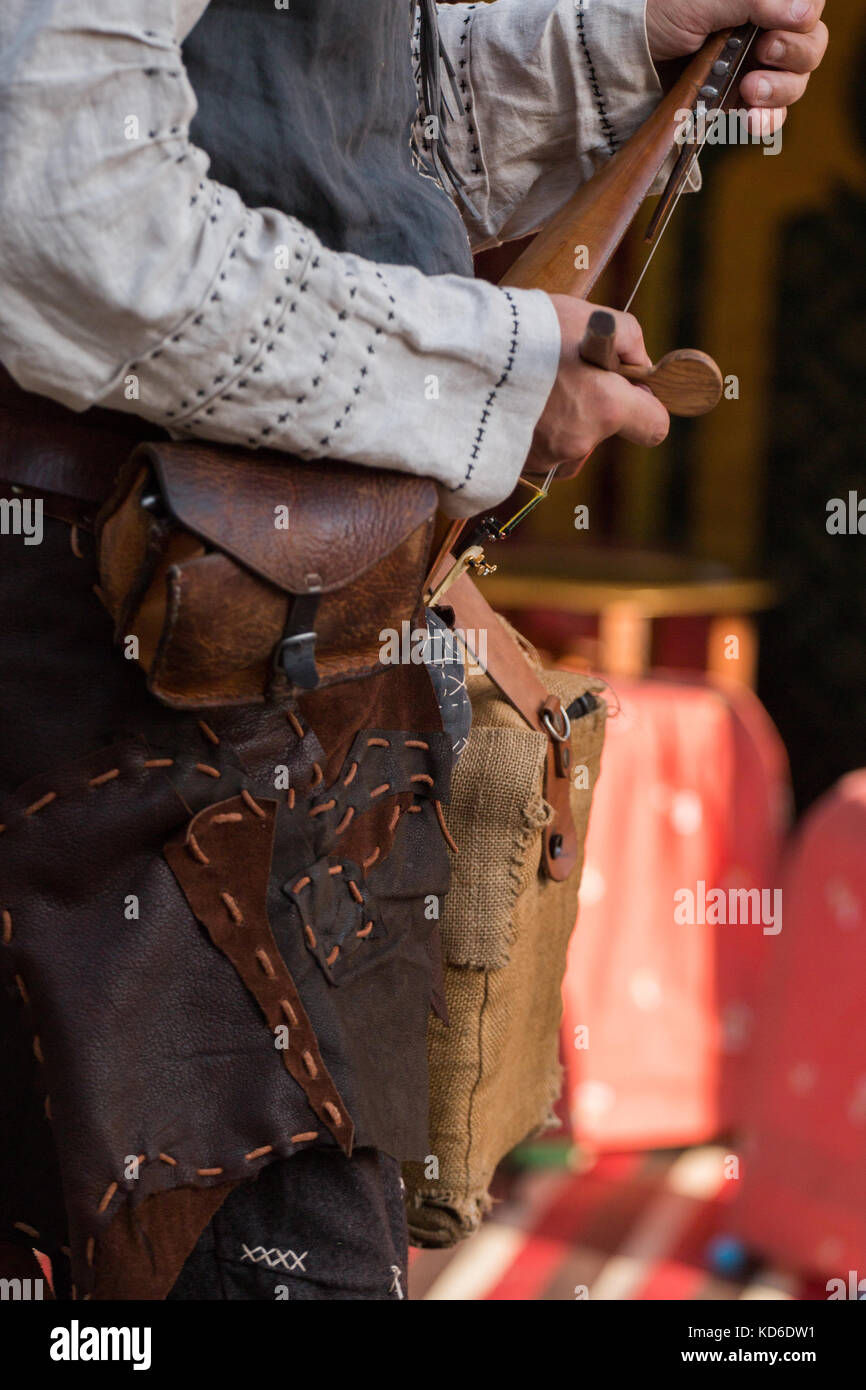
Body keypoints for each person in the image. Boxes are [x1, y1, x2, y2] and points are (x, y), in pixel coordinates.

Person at [0, 0, 826, 1301]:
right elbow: (52, 200)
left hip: (290, 665)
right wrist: (476, 374)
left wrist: (618, 54)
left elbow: (335, 142)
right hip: (107, 669)